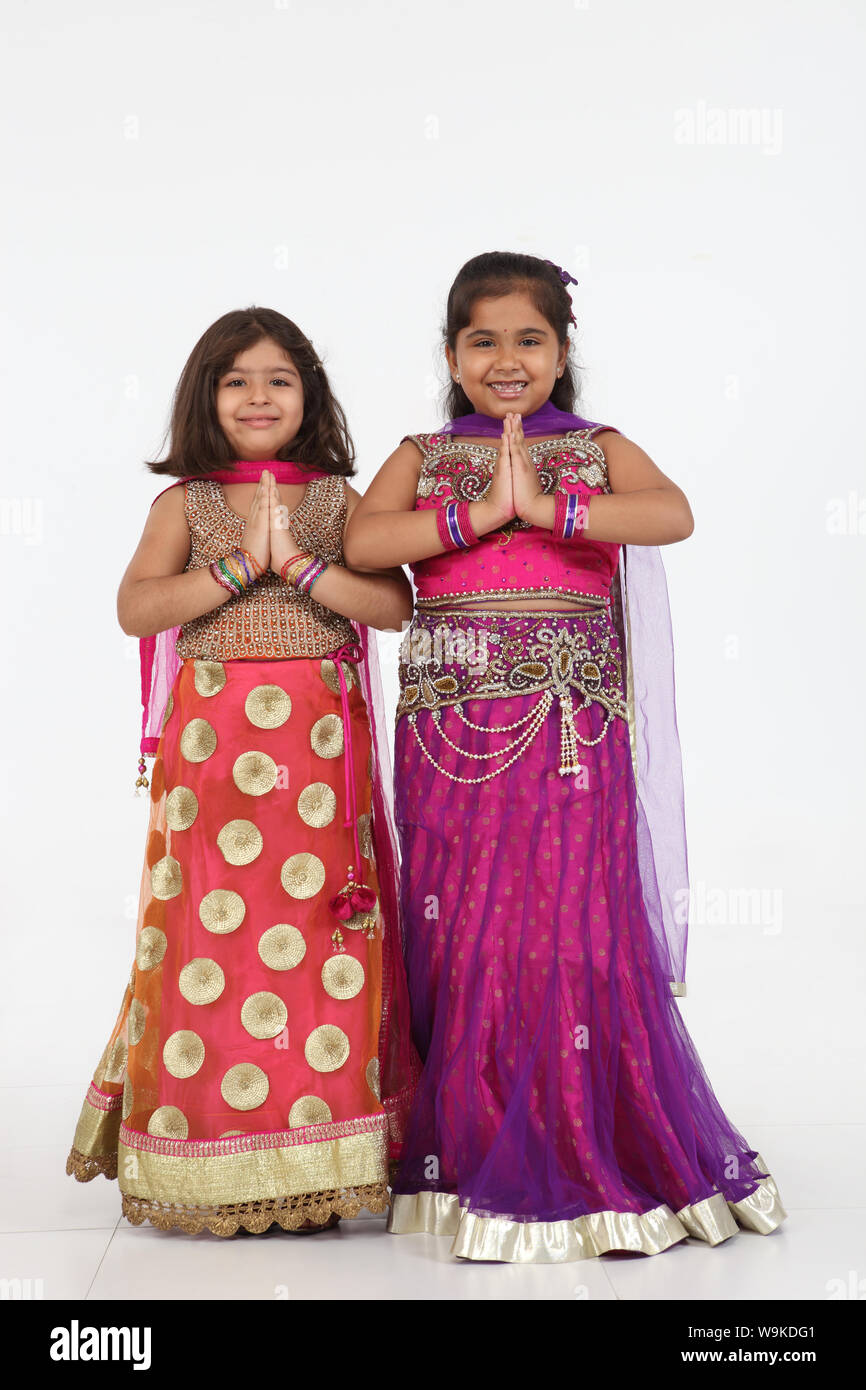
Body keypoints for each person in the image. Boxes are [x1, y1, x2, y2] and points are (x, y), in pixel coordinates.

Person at [343, 251, 787, 1263]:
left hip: (570, 735)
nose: (505, 359)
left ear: (562, 348)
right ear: (450, 352)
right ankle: (461, 1150)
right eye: (482, 339)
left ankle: (578, 1140)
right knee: (459, 929)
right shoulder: (422, 451)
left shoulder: (594, 447)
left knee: (567, 920)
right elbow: (368, 545)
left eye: (528, 339)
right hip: (449, 746)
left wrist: (548, 508)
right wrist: (473, 515)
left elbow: (671, 513)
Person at [66, 307, 419, 1236]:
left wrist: (297, 567)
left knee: (323, 936)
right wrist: (233, 572)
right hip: (214, 753)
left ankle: (325, 1151)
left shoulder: (343, 500)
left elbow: (390, 606)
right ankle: (211, 1156)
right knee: (211, 932)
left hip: (322, 753)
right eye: (236, 380)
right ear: (204, 398)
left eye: (278, 379)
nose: (258, 397)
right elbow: (138, 609)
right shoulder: (184, 503)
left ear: (310, 396)